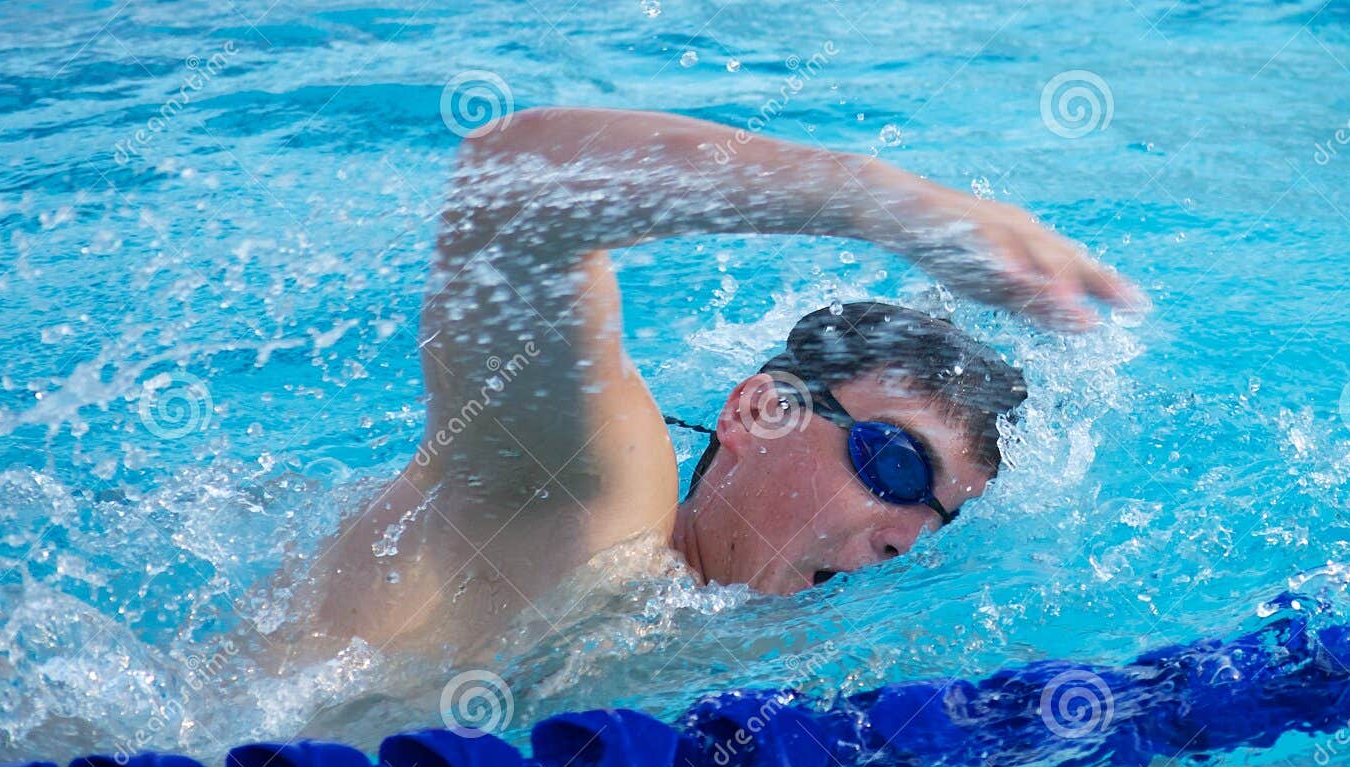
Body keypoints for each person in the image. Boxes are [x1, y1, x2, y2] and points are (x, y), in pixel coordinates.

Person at [279, 107, 1139, 657]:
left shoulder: (725, 642)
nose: (904, 541)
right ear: (763, 410)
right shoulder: (598, 507)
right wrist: (883, 204)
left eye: (938, 518)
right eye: (896, 465)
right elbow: (509, 185)